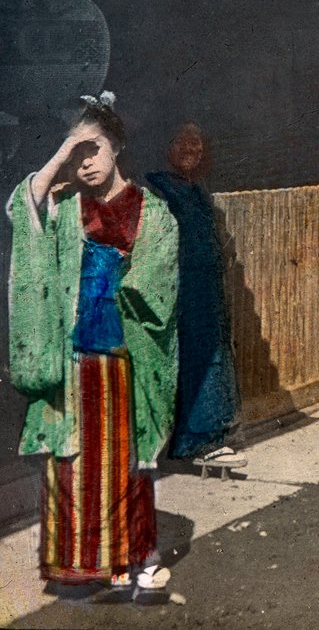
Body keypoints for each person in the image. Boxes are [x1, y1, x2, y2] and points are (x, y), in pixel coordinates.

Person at [7, 93, 178, 595]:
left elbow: (156, 283)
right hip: (73, 357)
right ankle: (81, 565)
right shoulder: (61, 206)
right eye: (76, 153)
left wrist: (110, 275)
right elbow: (23, 207)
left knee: (127, 462)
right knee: (71, 464)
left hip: (123, 356)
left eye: (94, 149)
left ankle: (137, 557)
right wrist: (61, 153)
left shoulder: (152, 210)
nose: (86, 162)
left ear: (118, 147)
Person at [146, 124, 246, 474]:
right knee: (189, 362)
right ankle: (200, 442)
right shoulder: (155, 188)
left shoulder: (197, 190)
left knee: (211, 358)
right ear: (164, 145)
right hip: (176, 291)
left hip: (206, 292)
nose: (191, 147)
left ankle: (208, 438)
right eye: (182, 139)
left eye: (197, 141)